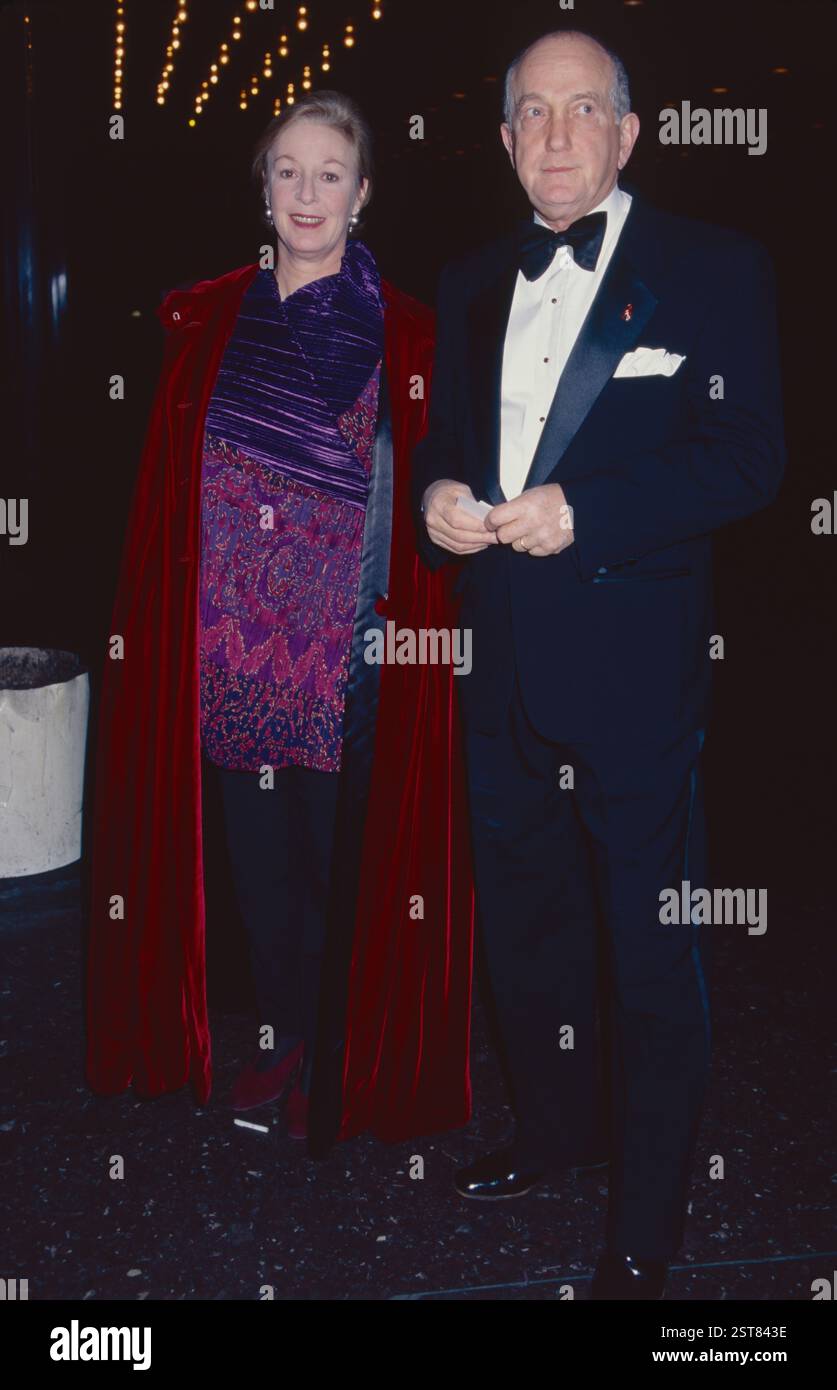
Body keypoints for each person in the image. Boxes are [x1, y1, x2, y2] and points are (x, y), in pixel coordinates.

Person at [412, 30, 785, 1299]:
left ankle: (651, 1210)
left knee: (649, 935)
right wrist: (440, 499)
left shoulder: (716, 268)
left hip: (634, 662)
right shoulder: (468, 279)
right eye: (533, 113)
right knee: (527, 924)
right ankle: (559, 1133)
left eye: (585, 111)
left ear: (630, 134)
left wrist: (593, 508)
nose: (558, 135)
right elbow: (443, 448)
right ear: (506, 138)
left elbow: (750, 457)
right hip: (505, 657)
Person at [85, 91, 474, 1152]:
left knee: (347, 870)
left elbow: (438, 493)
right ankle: (290, 1036)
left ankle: (342, 1050)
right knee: (259, 878)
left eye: (330, 173)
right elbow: (166, 500)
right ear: (262, 190)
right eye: (288, 173)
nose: (308, 194)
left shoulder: (413, 334)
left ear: (363, 193)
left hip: (348, 657)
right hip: (229, 653)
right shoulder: (203, 323)